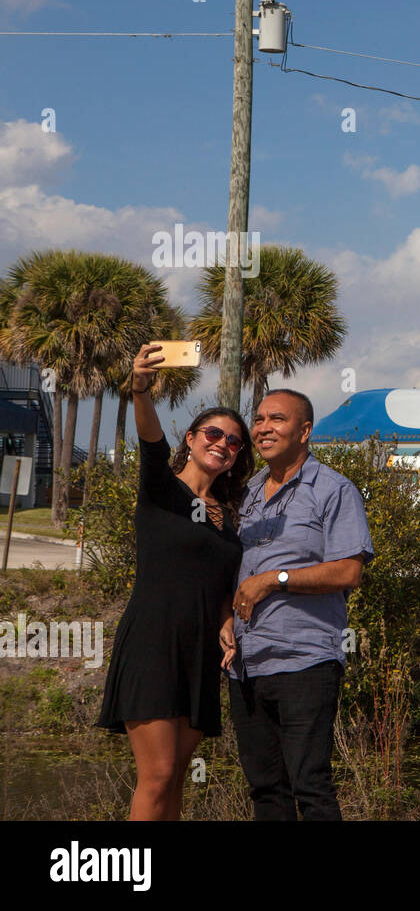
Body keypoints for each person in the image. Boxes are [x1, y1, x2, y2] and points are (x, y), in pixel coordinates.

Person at [97, 343, 254, 820]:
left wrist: (228, 620)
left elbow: (220, 579)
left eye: (233, 441)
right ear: (191, 437)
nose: (222, 444)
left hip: (201, 652)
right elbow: (150, 442)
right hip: (153, 642)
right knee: (158, 774)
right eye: (213, 433)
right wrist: (140, 389)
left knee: (177, 777)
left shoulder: (229, 517)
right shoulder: (163, 491)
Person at [227, 388, 374, 821]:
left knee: (310, 786)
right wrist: (225, 617)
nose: (263, 428)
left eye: (277, 419)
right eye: (258, 419)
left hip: (305, 661)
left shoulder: (333, 489)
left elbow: (349, 572)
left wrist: (275, 581)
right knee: (266, 790)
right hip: (247, 664)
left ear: (305, 430)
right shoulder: (247, 492)